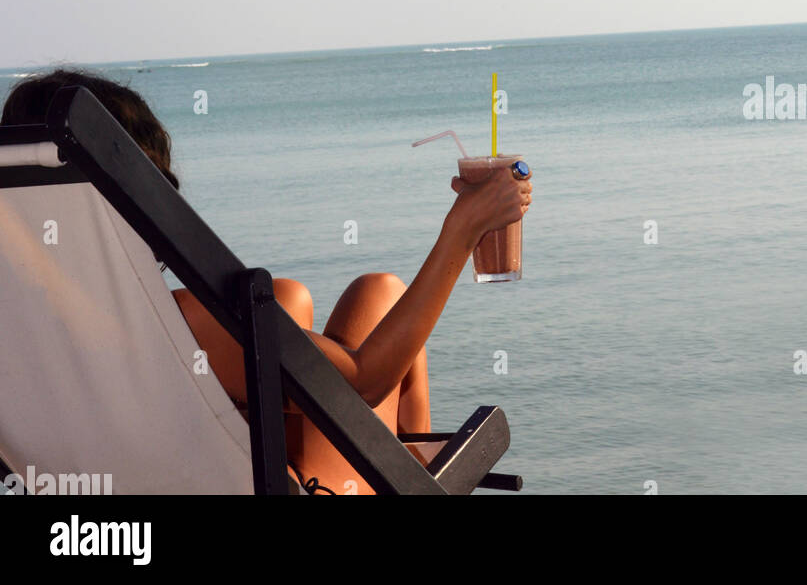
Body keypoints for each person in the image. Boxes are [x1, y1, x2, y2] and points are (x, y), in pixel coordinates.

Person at [0, 68, 532, 495]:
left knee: (287, 300)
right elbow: (363, 386)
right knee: (381, 294)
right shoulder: (178, 327)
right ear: (143, 201)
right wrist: (463, 232)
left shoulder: (20, 339)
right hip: (322, 484)